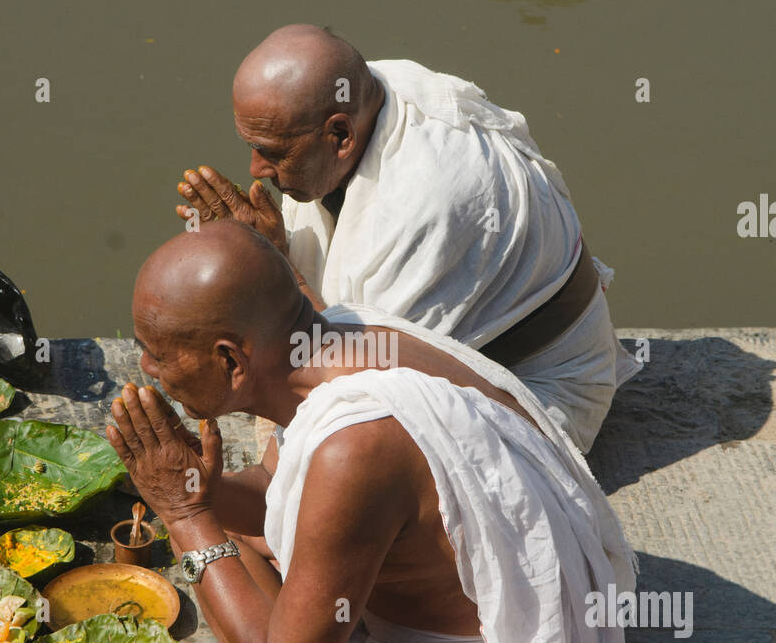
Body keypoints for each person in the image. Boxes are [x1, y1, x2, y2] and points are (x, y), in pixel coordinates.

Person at [106, 223, 634, 643]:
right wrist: (202, 488)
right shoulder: (338, 336)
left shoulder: (355, 444)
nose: (146, 368)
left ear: (230, 360)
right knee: (227, 532)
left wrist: (183, 513)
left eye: (159, 352)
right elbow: (275, 496)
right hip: (461, 603)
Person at [175, 24, 639, 453]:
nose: (256, 170)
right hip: (439, 340)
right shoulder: (370, 89)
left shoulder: (428, 200)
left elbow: (362, 379)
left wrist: (275, 264)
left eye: (271, 152)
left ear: (340, 136)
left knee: (341, 470)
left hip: (536, 392)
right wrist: (273, 254)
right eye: (250, 147)